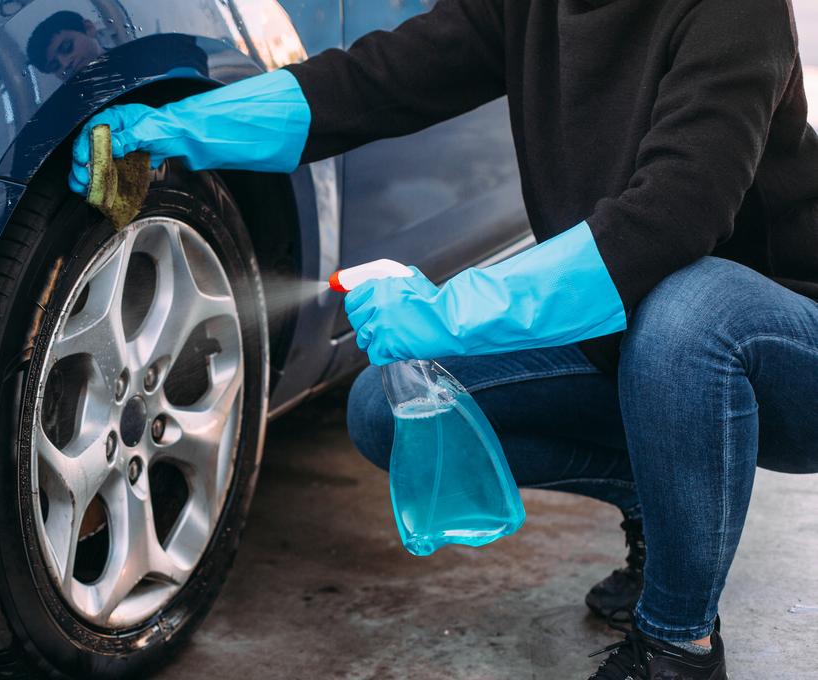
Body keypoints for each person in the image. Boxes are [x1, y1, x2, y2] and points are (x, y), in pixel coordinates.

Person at [67, 1, 818, 678]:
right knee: (392, 405)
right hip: (641, 336)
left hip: (783, 344)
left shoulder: (734, 11)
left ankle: (677, 648)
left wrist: (453, 308)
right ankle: (660, 501)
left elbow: (669, 222)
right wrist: (186, 127)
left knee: (689, 308)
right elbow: (375, 82)